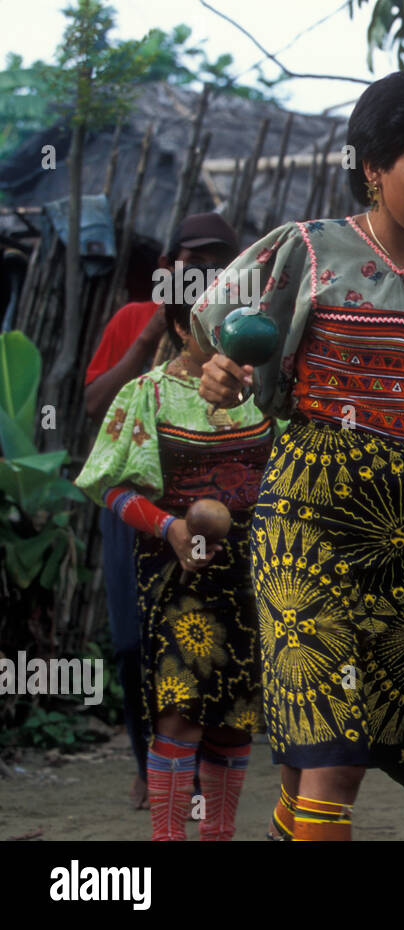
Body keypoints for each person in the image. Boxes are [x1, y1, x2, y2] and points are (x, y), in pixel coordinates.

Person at [192, 72, 404, 841]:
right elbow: (223, 347)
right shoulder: (309, 252)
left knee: (314, 751)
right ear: (374, 167)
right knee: (337, 749)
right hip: (307, 520)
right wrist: (223, 374)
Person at [75, 283, 273, 840]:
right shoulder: (148, 394)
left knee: (235, 720)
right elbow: (110, 486)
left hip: (249, 572)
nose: (230, 329)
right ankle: (167, 837)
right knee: (180, 709)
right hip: (176, 571)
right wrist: (172, 526)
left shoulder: (268, 393)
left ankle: (218, 835)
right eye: (213, 319)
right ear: (182, 327)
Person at [82, 213, 239, 811]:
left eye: (219, 262)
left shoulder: (241, 329)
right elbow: (95, 403)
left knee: (205, 634)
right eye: (193, 261)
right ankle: (147, 763)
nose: (205, 272)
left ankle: (194, 767)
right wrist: (154, 328)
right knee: (131, 644)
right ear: (168, 267)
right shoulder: (130, 320)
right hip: (135, 504)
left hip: (211, 503)